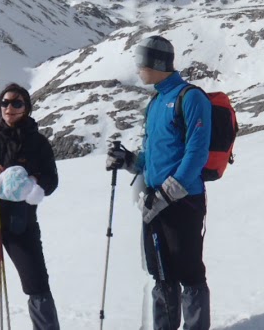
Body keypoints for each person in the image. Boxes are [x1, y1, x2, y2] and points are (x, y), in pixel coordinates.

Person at [105, 35, 212, 330]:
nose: (138, 69)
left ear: (156, 63)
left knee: (189, 272)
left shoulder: (190, 97)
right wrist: (127, 160)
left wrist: (168, 192)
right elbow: (153, 154)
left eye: (141, 62)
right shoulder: (155, 102)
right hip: (154, 201)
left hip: (183, 201)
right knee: (161, 273)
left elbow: (197, 152)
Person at [0, 84, 61, 330]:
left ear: (26, 108)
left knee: (36, 283)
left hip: (21, 223)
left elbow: (51, 179)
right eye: (5, 103)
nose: (9, 108)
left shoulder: (38, 143)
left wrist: (34, 182)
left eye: (16, 103)